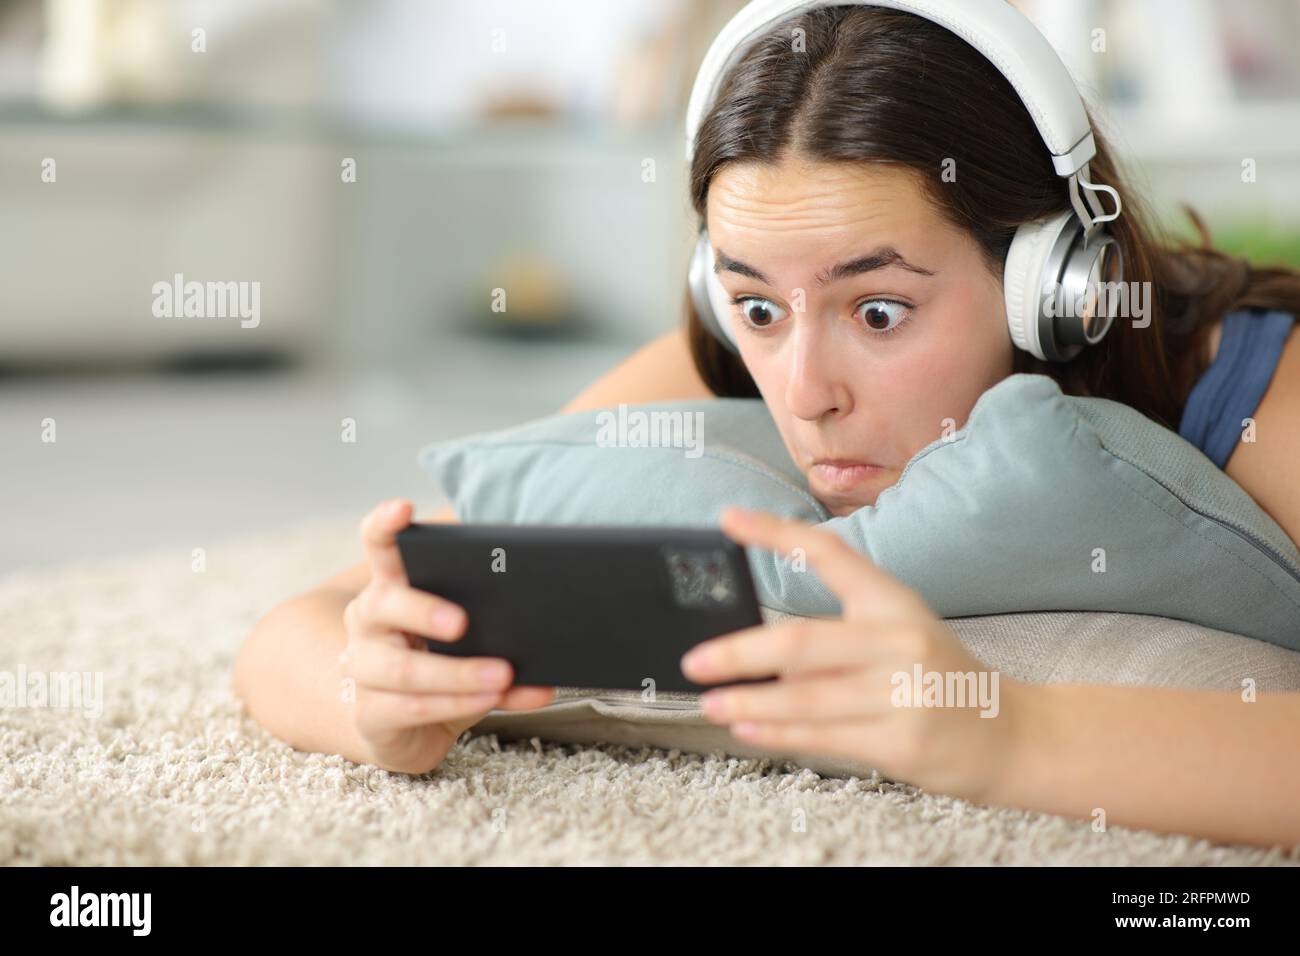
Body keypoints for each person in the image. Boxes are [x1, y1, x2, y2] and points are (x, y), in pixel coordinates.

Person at [233, 3, 1300, 846]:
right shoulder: (708, 363)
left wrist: (998, 731)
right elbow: (304, 622)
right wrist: (367, 692)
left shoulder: (1266, 402)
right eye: (754, 304)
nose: (802, 390)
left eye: (877, 310)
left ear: (1052, 286)